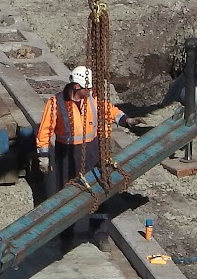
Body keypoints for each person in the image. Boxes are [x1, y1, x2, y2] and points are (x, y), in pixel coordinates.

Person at [35, 65, 141, 200]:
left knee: (96, 185)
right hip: (67, 155)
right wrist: (43, 156)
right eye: (87, 88)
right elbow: (45, 130)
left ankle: (96, 215)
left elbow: (108, 110)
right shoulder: (56, 103)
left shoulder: (91, 99)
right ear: (76, 87)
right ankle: (69, 217)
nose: (90, 91)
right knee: (67, 190)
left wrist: (126, 120)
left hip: (91, 151)